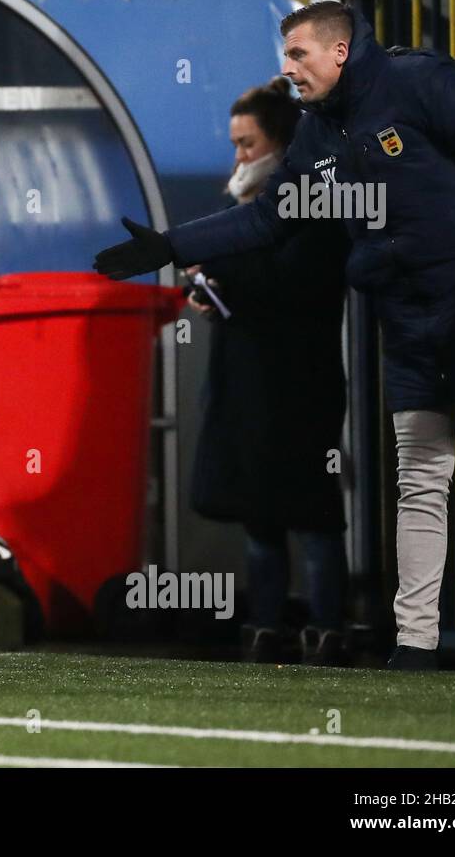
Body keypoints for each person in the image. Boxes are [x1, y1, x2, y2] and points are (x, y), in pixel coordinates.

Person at [93, 0, 455, 670]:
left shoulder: (418, 84)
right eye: (285, 55)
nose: (288, 68)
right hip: (411, 325)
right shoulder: (317, 137)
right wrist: (169, 245)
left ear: (340, 52)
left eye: (299, 54)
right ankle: (416, 647)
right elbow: (270, 220)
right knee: (420, 480)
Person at [182, 78, 349, 665]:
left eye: (247, 144)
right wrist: (211, 288)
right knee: (259, 512)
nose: (238, 158)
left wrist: (226, 273)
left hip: (301, 385)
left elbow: (300, 284)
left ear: (280, 145)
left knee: (312, 512)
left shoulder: (314, 208)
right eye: (234, 145)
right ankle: (268, 625)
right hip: (246, 386)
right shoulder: (238, 210)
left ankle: (330, 627)